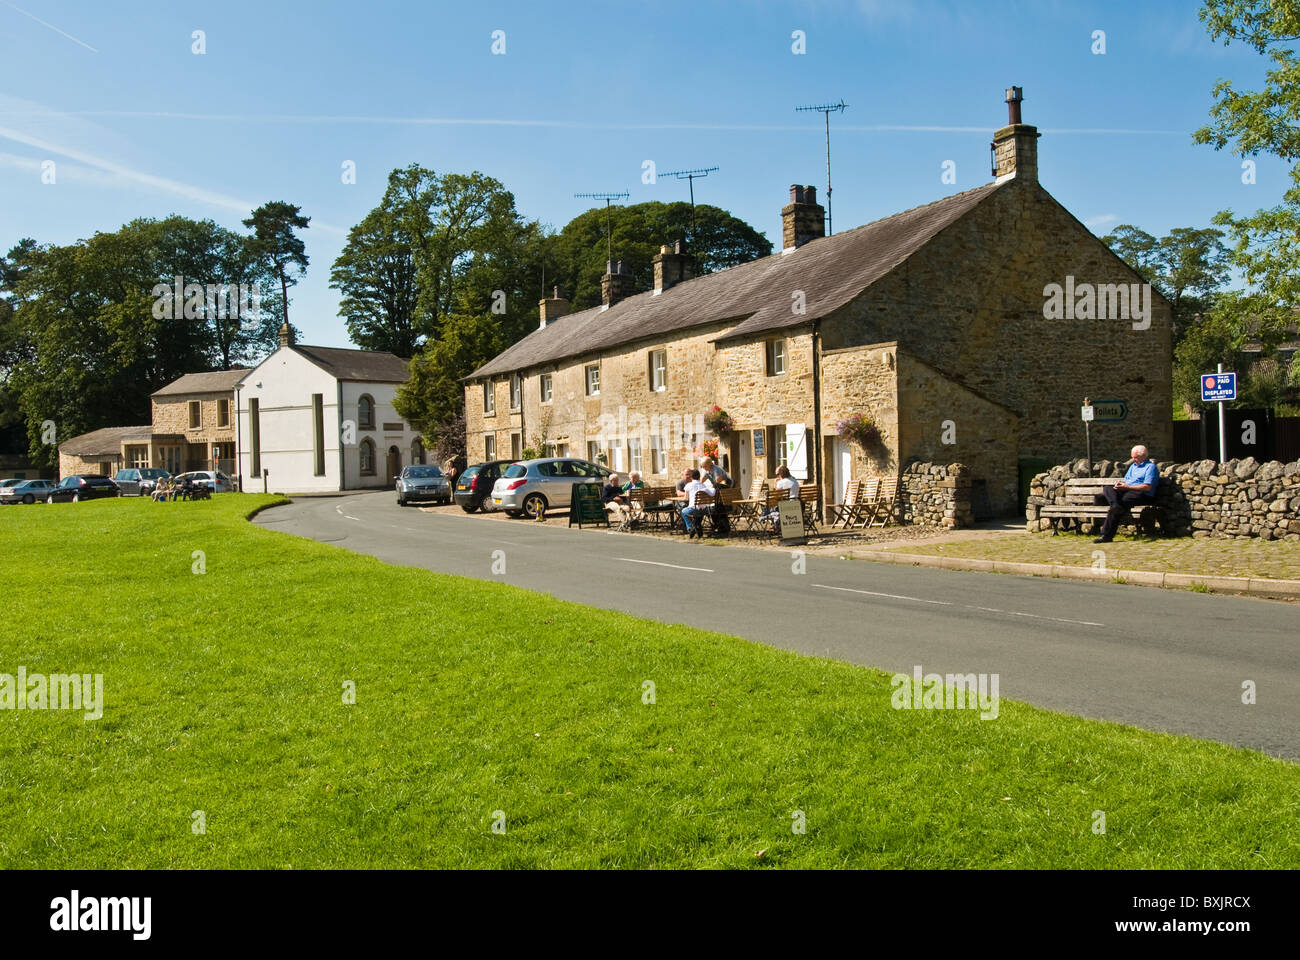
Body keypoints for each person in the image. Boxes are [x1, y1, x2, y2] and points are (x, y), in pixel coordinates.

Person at [1093, 445, 1159, 543]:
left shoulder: (1150, 467)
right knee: (1107, 488)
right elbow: (1127, 481)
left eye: (1135, 457)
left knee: (1121, 503)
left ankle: (1106, 535)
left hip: (1142, 494)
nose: (1133, 460)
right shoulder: (1133, 466)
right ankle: (1114, 504)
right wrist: (1121, 485)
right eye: (1132, 457)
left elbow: (1147, 487)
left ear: (1143, 456)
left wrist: (1126, 487)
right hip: (1128, 490)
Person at [699, 457, 733, 536]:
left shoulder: (716, 469)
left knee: (718, 506)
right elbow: (702, 480)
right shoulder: (706, 470)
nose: (704, 468)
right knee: (714, 507)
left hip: (726, 488)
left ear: (709, 465)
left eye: (705, 466)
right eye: (702, 467)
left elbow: (719, 480)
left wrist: (709, 488)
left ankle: (722, 527)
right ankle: (718, 526)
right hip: (717, 489)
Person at [680, 469, 716, 540]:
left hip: (693, 509)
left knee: (683, 511)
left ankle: (690, 527)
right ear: (699, 477)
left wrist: (680, 499)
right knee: (698, 514)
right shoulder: (703, 485)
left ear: (691, 477)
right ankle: (697, 527)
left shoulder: (688, 485)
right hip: (704, 510)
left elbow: (686, 499)